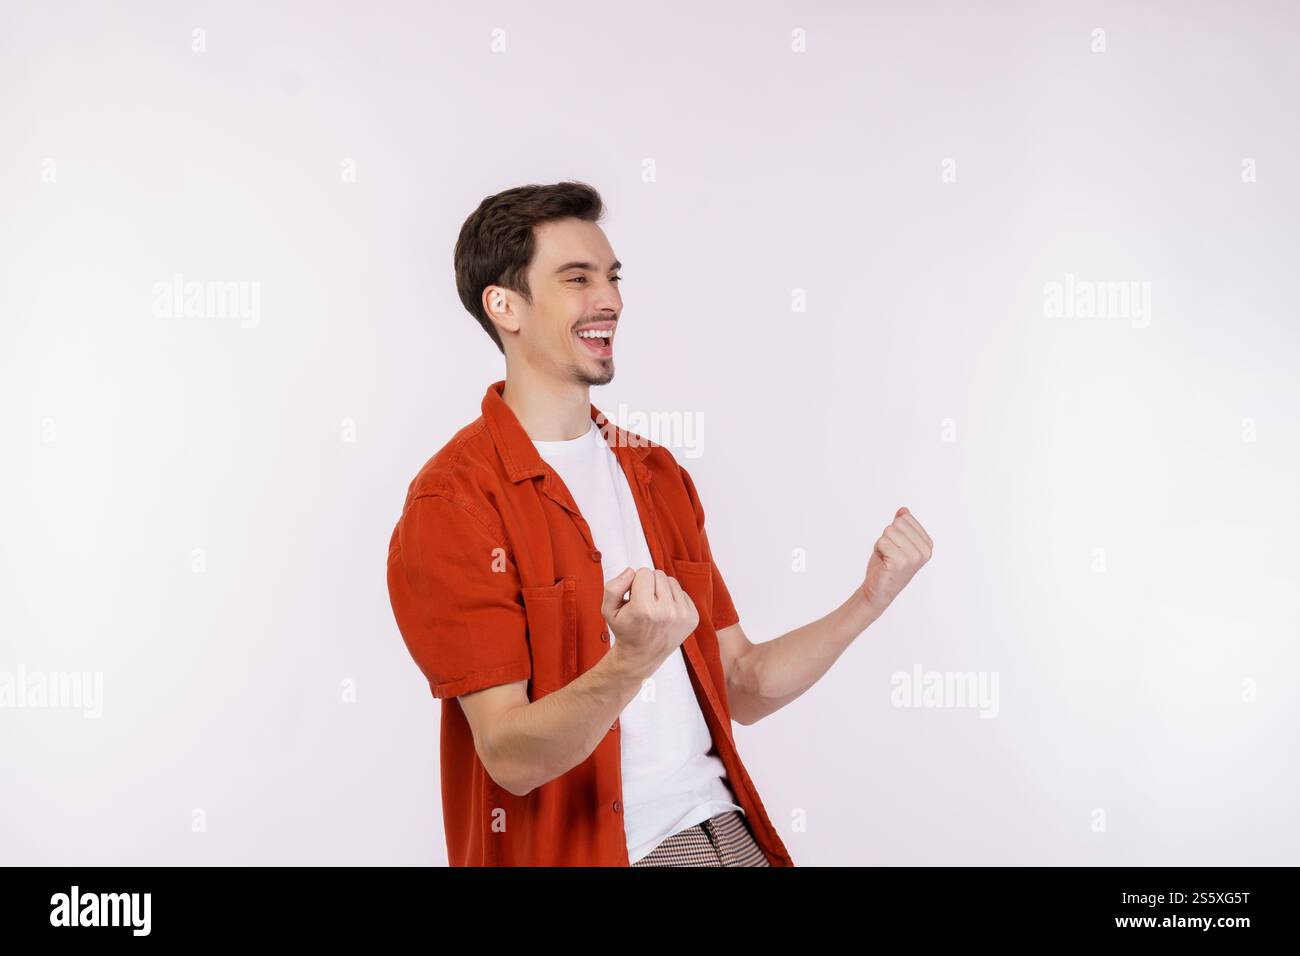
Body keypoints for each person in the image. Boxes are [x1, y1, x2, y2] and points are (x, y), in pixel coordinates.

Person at [386, 181, 933, 866]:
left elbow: (742, 684)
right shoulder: (454, 504)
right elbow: (510, 756)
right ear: (505, 306)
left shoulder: (656, 474)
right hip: (617, 852)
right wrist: (631, 661)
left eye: (611, 277)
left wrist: (868, 601)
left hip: (732, 834)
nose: (608, 299)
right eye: (576, 278)